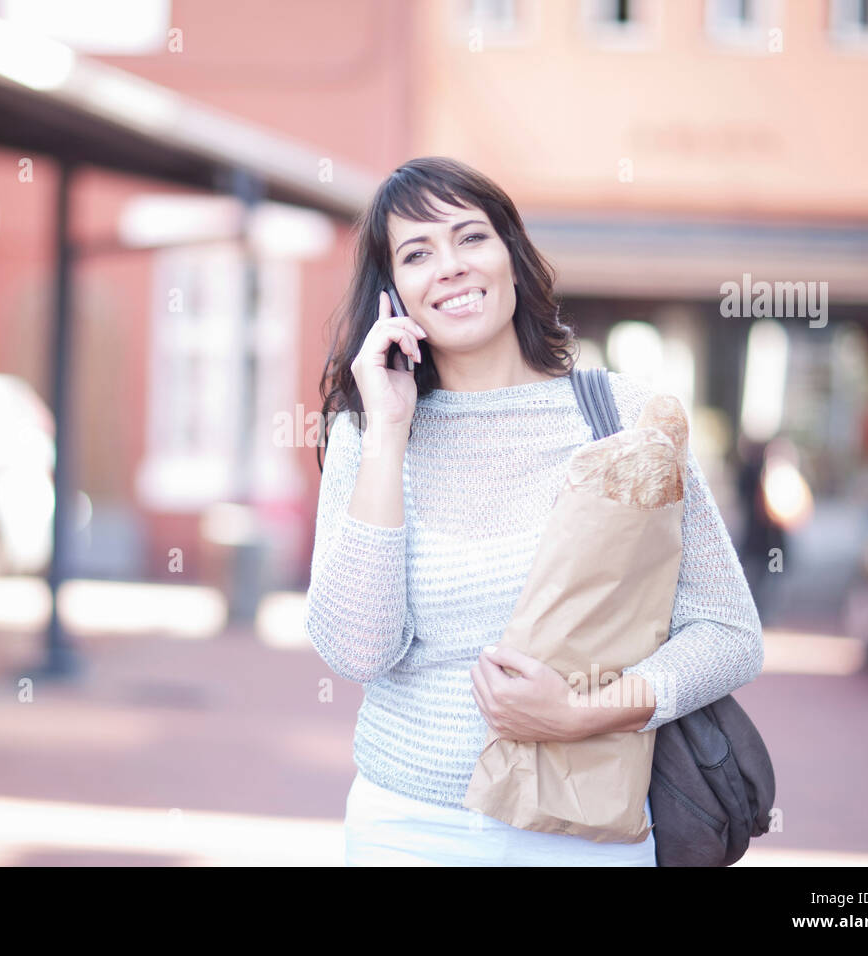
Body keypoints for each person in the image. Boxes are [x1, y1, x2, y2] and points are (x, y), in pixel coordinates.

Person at [303, 156, 765, 866]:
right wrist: (388, 432)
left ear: (512, 257)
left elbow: (728, 631)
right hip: (406, 829)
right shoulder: (367, 435)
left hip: (584, 831)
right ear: (393, 293)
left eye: (470, 238)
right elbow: (360, 650)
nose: (450, 265)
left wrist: (580, 713)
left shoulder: (626, 417)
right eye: (418, 252)